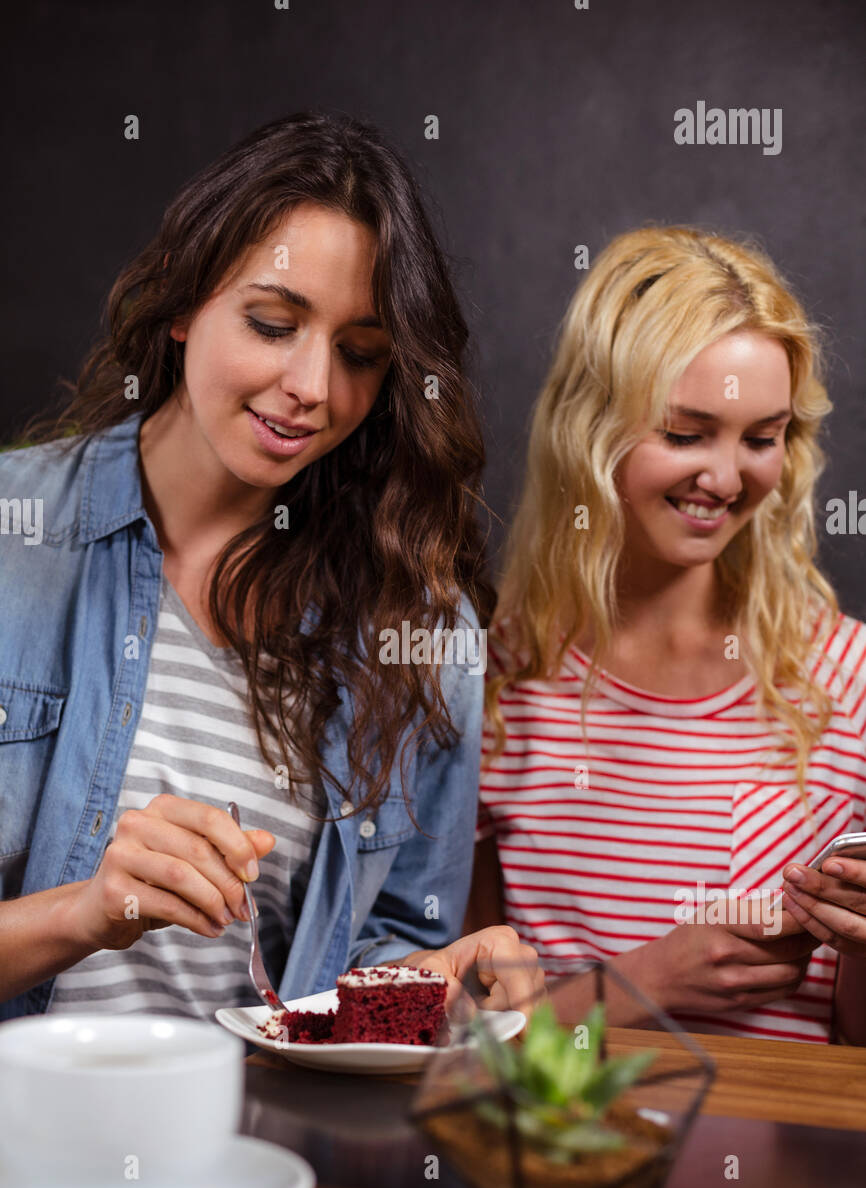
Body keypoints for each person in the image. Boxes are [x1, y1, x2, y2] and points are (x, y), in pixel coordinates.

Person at [0, 110, 542, 1022]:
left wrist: (439, 991)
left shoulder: (424, 634)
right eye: (272, 322)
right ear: (180, 302)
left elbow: (364, 975)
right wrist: (84, 912)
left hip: (262, 1155)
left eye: (361, 354)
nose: (313, 388)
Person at [465, 225, 866, 1045]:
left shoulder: (849, 678)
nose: (725, 479)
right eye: (685, 434)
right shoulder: (493, 686)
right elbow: (464, 1034)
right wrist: (642, 984)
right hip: (577, 1153)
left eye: (762, 438)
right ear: (590, 429)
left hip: (798, 1160)